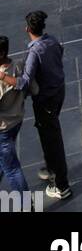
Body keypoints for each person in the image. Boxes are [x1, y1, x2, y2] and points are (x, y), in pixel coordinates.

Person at [0, 11, 71, 200]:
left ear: (27, 29)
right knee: (49, 133)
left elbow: (23, 82)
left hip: (46, 99)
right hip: (58, 90)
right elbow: (60, 53)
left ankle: (62, 186)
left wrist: (3, 76)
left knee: (52, 140)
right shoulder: (52, 41)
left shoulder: (34, 51)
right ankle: (51, 170)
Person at [0, 35, 28, 199]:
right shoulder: (18, 64)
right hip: (16, 119)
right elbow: (33, 88)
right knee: (5, 158)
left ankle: (26, 205)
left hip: (2, 128)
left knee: (12, 169)